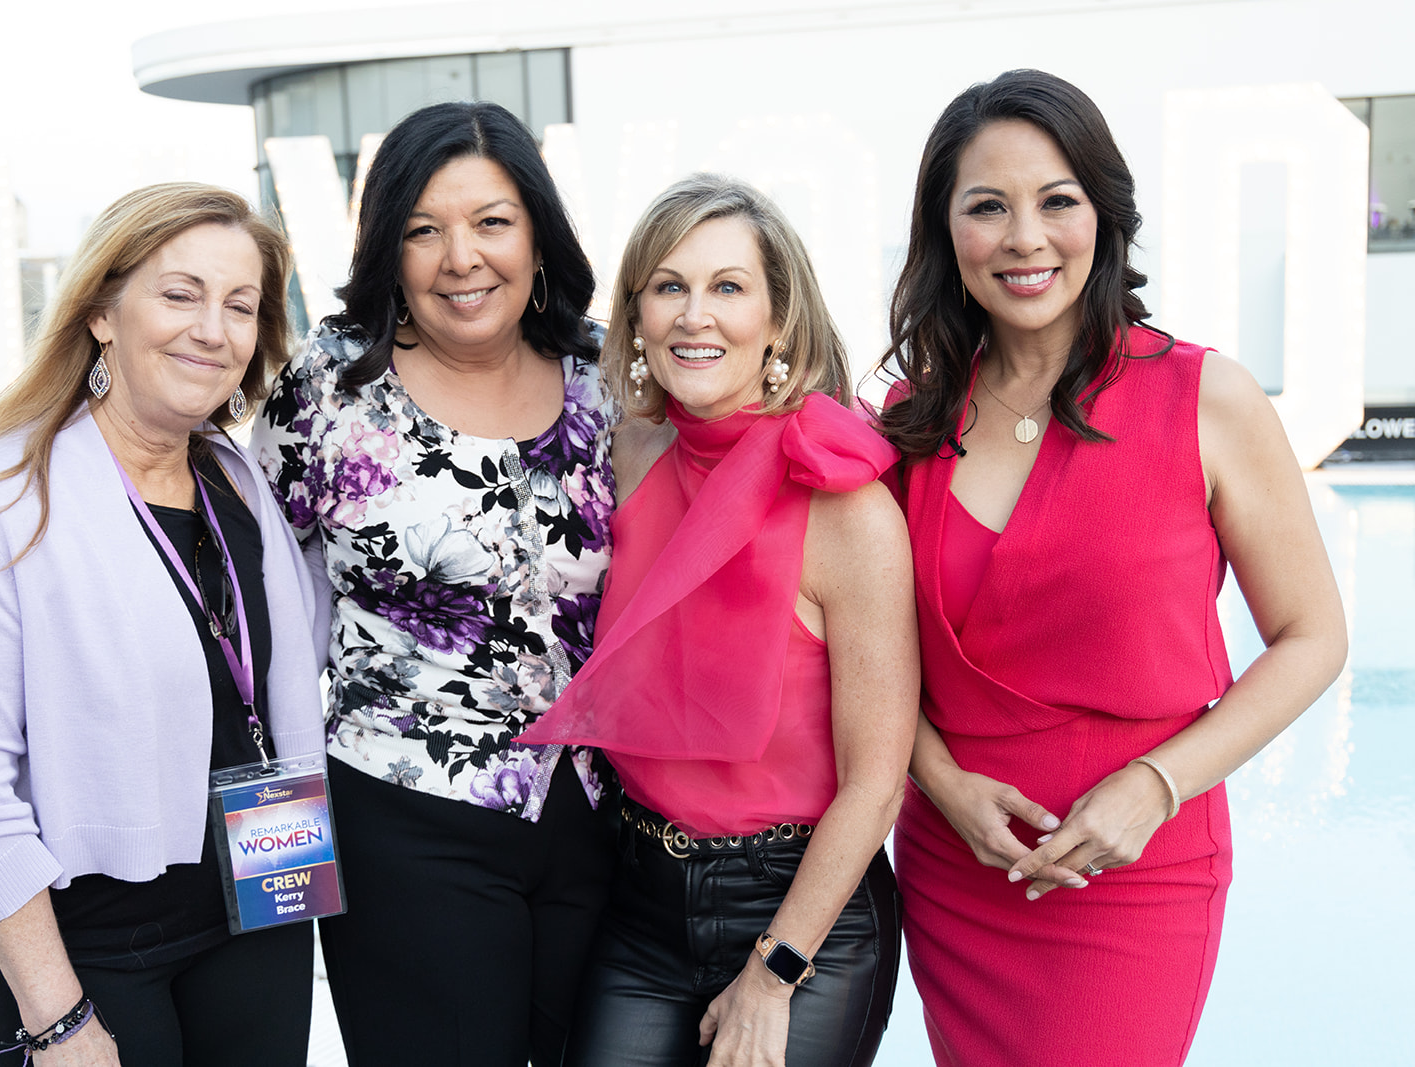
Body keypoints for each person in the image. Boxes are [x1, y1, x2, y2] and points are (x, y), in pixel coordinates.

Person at [876, 69, 1349, 1066]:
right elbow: (868, 658)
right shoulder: (910, 421)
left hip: (1136, 873)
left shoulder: (1206, 398)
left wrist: (1155, 785)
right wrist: (944, 784)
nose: (1025, 237)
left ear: (1103, 213)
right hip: (956, 868)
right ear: (944, 231)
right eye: (987, 207)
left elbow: (1312, 637)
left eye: (1057, 200)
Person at [0, 183, 324, 1067]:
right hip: (85, 953)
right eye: (180, 294)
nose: (212, 329)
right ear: (101, 312)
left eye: (239, 305)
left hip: (259, 911)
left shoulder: (240, 484)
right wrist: (56, 1018)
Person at [521, 174, 918, 1067]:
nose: (694, 316)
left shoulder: (845, 504)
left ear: (779, 319)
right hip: (640, 903)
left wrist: (773, 975)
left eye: (728, 287)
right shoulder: (625, 455)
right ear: (638, 314)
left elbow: (876, 782)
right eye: (669, 286)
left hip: (802, 914)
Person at [251, 101, 616, 1067]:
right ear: (388, 246)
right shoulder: (330, 384)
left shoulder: (607, 375)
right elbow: (255, 604)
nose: (462, 258)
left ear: (537, 232)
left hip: (600, 815)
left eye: (492, 222)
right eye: (424, 229)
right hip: (402, 813)